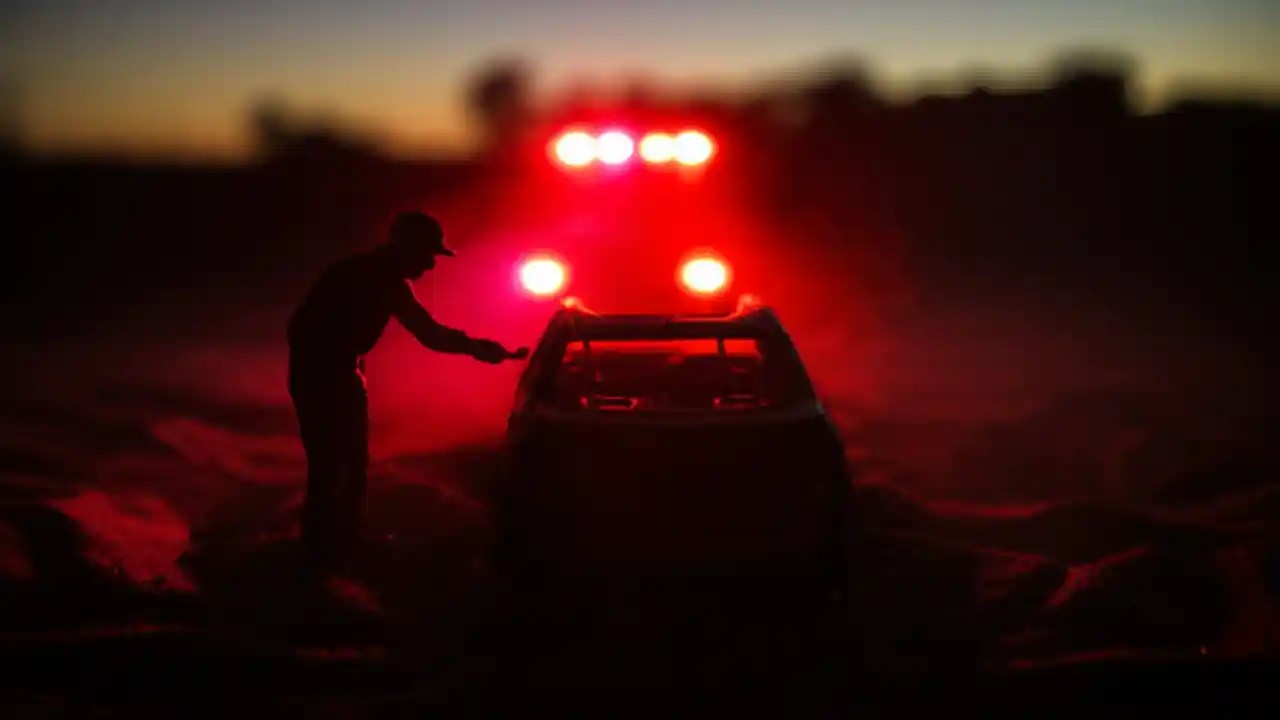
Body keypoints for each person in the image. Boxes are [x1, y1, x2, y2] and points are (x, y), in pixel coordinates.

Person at [287, 210, 526, 570]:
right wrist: (335, 369)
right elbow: (429, 335)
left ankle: (330, 544)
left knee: (342, 464)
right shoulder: (374, 279)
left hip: (330, 372)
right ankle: (323, 553)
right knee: (336, 466)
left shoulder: (372, 277)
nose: (430, 265)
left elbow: (428, 334)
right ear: (408, 249)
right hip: (328, 374)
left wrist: (485, 349)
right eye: (428, 254)